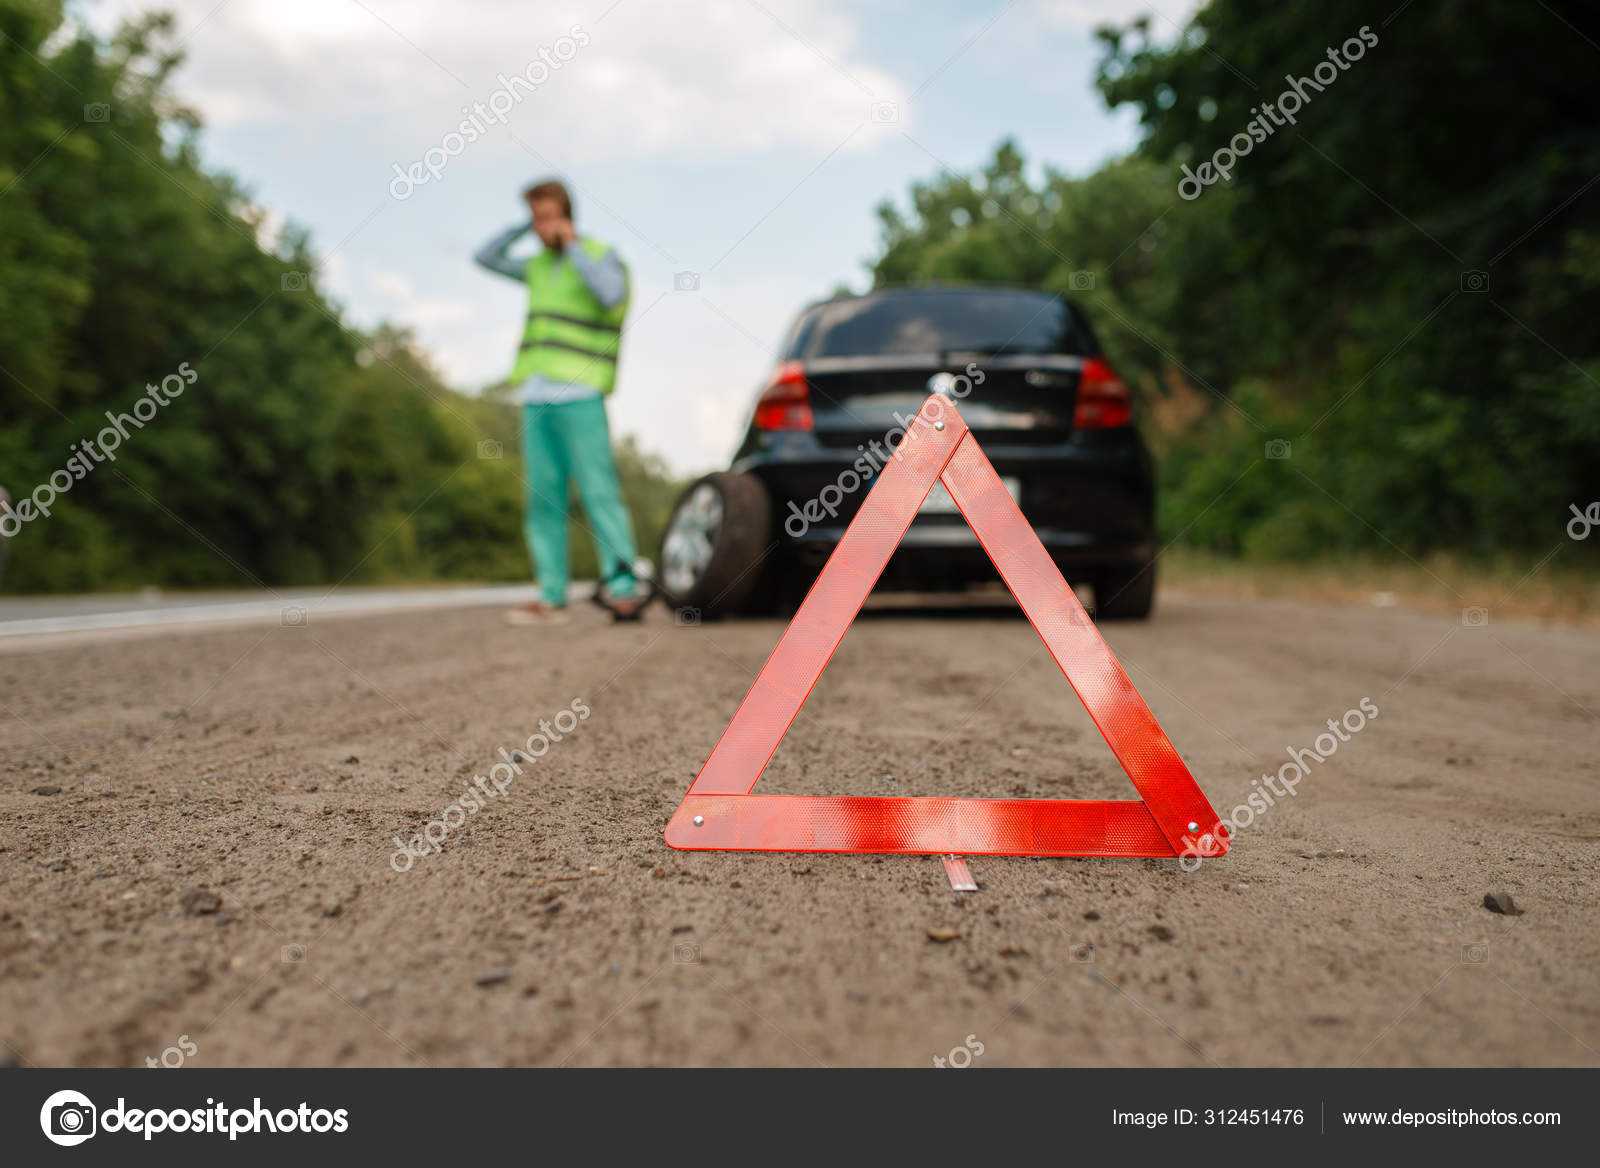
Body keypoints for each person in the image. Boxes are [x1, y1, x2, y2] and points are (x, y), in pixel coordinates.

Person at [474, 179, 645, 624]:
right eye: (536, 218)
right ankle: (552, 594)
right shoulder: (535, 266)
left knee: (598, 491)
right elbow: (484, 257)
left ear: (567, 216)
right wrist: (520, 226)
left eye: (549, 215)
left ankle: (623, 587)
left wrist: (571, 244)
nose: (542, 226)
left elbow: (612, 295)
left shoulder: (597, 253)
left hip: (582, 391)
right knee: (543, 498)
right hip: (536, 393)